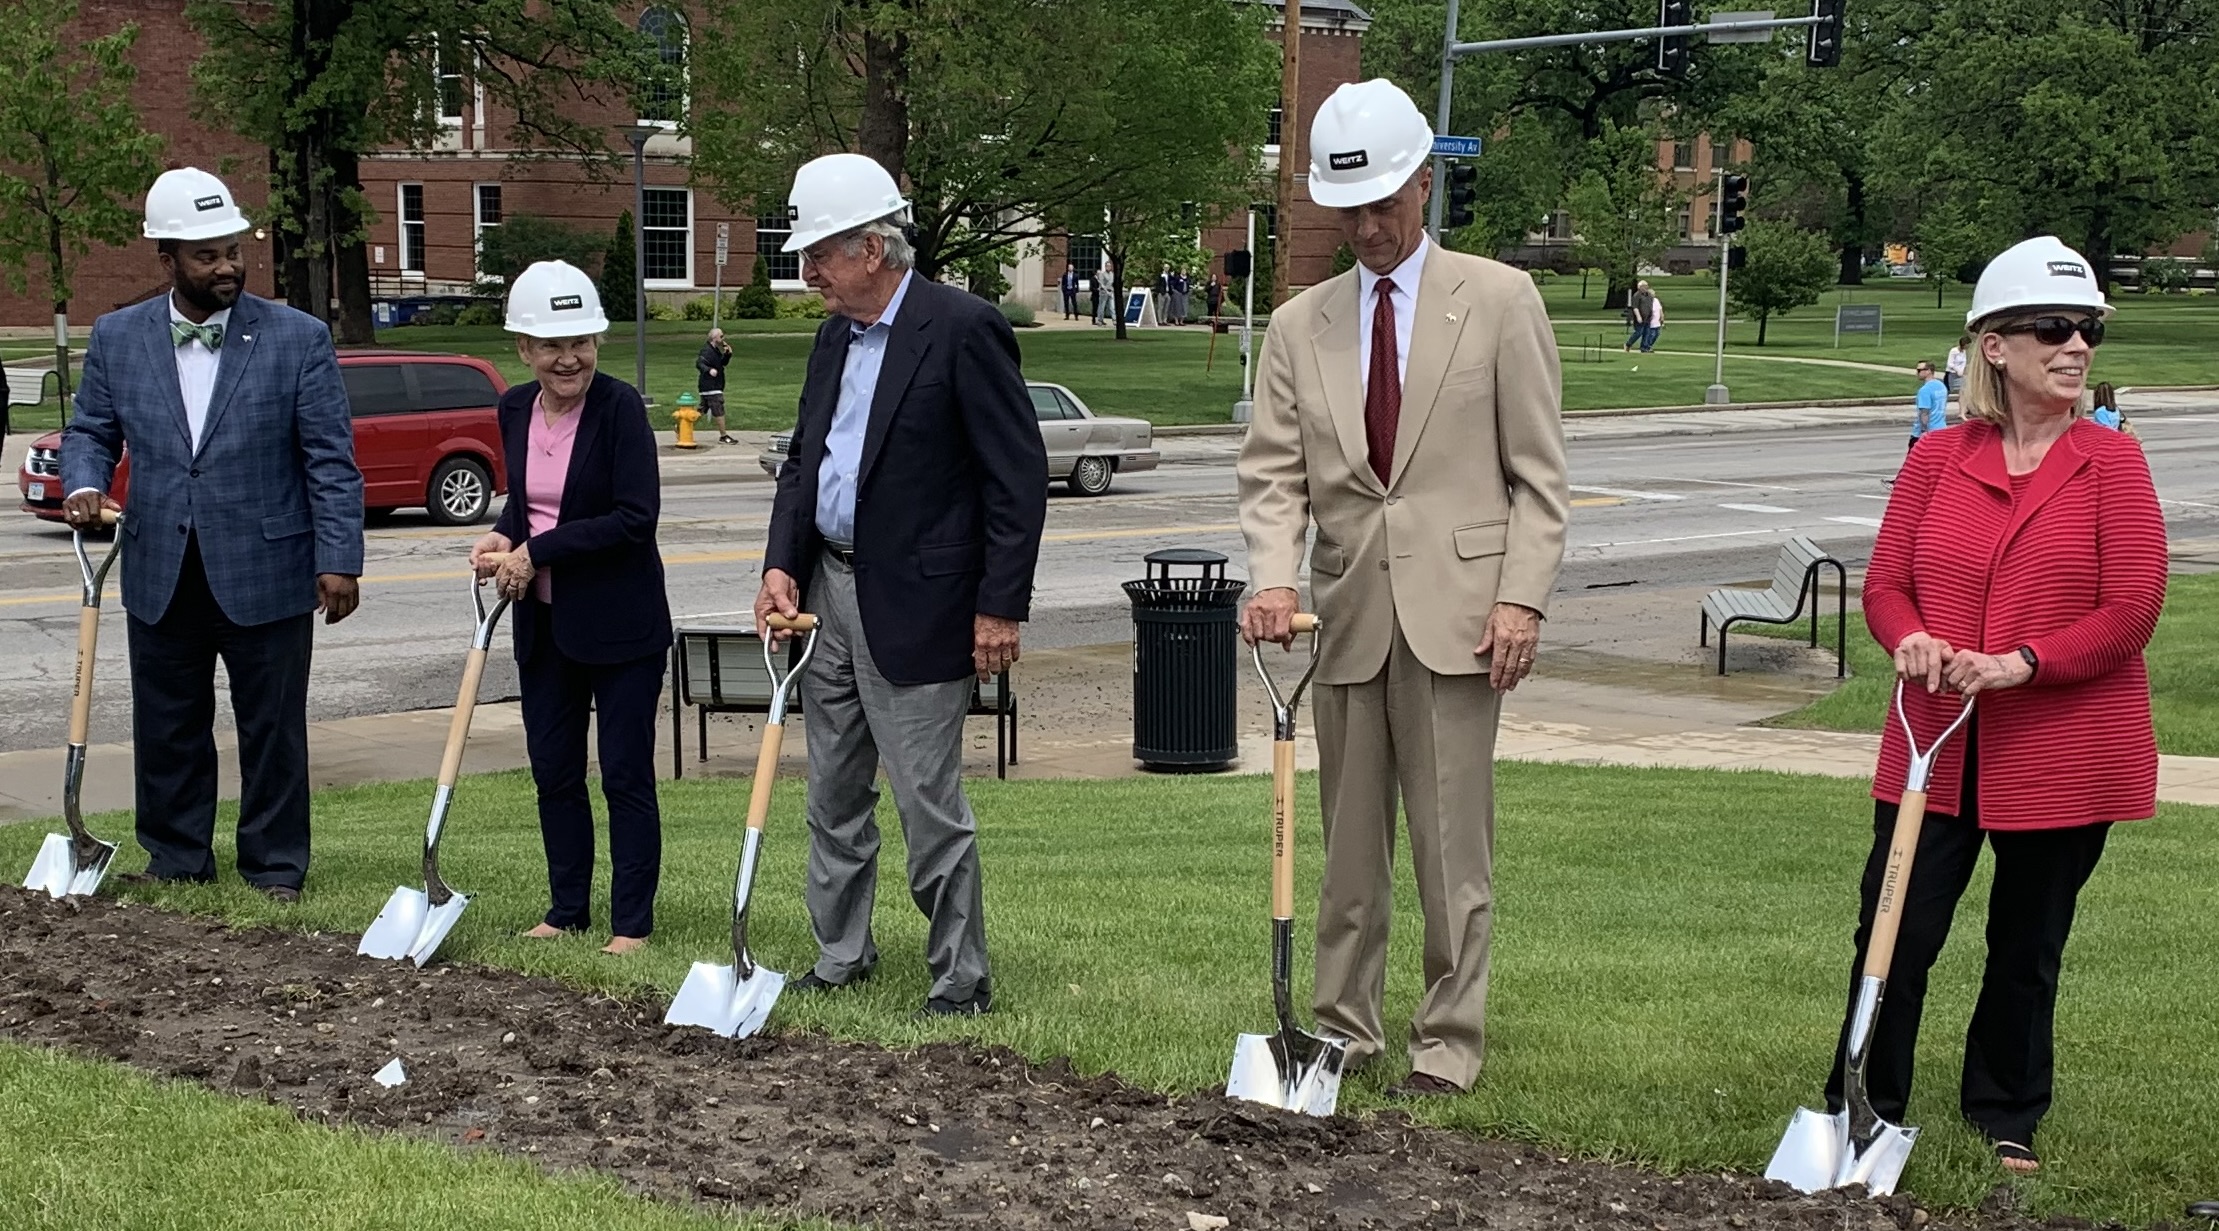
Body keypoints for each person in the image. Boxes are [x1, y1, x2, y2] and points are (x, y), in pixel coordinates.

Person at [1238, 79, 1571, 1097]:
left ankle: (1446, 1042)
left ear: (1425, 184)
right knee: (1345, 855)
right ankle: (1340, 1029)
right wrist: (1269, 578)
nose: (1369, 228)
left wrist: (1519, 597)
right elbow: (1271, 475)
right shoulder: (1299, 327)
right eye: (1350, 212)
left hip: (1463, 623)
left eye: (1384, 204)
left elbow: (1537, 478)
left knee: (1448, 852)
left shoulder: (1501, 301)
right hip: (1345, 617)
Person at [1823, 235, 2166, 1176]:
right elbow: (1888, 583)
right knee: (1894, 924)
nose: (2076, 346)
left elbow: (2130, 607)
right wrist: (1910, 640)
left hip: (2062, 746)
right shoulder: (1938, 459)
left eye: (2086, 328)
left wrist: (2024, 661)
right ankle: (1863, 1098)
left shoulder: (2113, 463)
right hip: (1933, 738)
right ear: (1995, 347)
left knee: (2026, 939)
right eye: (2053, 328)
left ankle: (2005, 1107)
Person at [756, 153, 1048, 1016]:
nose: (808, 272)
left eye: (821, 255)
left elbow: (1015, 478)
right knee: (832, 790)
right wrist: (780, 562)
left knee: (928, 802)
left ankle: (960, 977)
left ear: (874, 249)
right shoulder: (830, 336)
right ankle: (840, 952)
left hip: (924, 604)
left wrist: (1000, 606)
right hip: (828, 593)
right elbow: (804, 461)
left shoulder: (961, 328)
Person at [60, 167, 363, 903]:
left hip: (269, 566)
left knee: (272, 729)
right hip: (163, 563)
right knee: (167, 726)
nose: (227, 266)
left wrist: (339, 559)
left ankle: (275, 865)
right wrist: (83, 481)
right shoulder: (117, 336)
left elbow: (330, 458)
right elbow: (90, 431)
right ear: (166, 261)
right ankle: (176, 855)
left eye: (233, 250)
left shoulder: (297, 338)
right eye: (207, 256)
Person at [471, 261, 671, 955]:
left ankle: (631, 923)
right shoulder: (514, 408)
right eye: (551, 345)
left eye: (581, 341)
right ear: (523, 349)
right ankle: (566, 908)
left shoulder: (618, 409)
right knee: (554, 770)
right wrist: (505, 533)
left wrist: (538, 550)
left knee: (623, 774)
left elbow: (633, 517)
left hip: (621, 624)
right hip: (546, 623)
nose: (568, 358)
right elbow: (528, 501)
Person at [695, 326, 736, 444]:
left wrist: (727, 354)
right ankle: (724, 436)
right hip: (711, 386)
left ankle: (683, 426)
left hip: (713, 386)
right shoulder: (706, 350)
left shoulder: (715, 351)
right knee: (719, 409)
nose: (723, 338)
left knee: (702, 410)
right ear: (714, 338)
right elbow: (699, 363)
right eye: (721, 336)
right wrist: (709, 370)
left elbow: (722, 364)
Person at [1910, 360, 1949, 448]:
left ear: (1928, 371)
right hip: (1941, 429)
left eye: (1919, 370)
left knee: (1914, 460)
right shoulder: (1941, 386)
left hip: (1927, 432)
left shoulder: (1925, 390)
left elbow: (1924, 413)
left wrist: (1923, 432)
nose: (1917, 373)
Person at [1625, 281, 1654, 352]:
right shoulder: (1637, 295)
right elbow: (1635, 307)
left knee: (1646, 333)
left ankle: (1644, 348)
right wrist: (1638, 316)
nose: (1646, 287)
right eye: (1644, 286)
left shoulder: (1649, 295)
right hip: (1640, 317)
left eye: (1647, 285)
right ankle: (1628, 344)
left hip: (1648, 317)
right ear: (1640, 287)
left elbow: (1650, 305)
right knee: (1639, 332)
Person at [1642, 286, 1664, 353]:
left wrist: (1662, 317)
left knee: (1656, 334)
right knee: (1651, 335)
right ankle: (1646, 347)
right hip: (1650, 322)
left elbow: (1660, 309)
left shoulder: (1656, 300)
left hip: (1657, 322)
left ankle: (1649, 346)